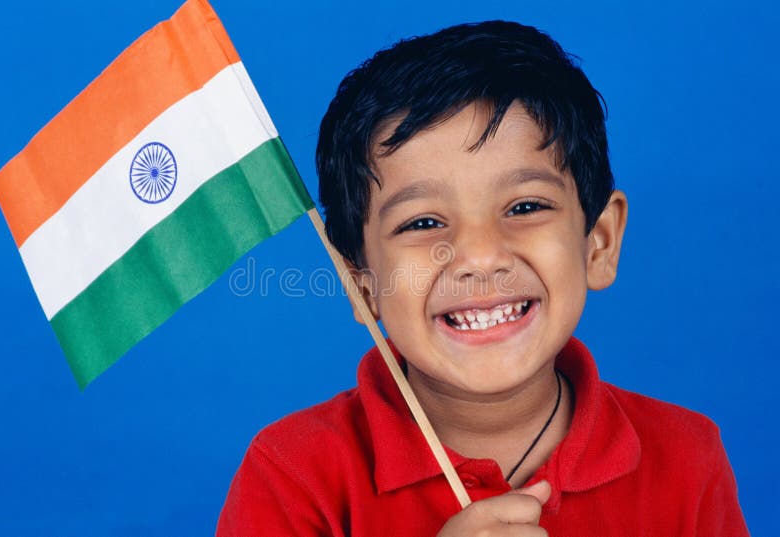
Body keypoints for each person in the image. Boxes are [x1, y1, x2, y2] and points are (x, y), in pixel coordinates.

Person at [216, 21, 749, 536]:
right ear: (360, 283)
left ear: (599, 242)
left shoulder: (685, 458)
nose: (480, 256)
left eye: (524, 206)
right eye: (423, 222)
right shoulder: (292, 475)